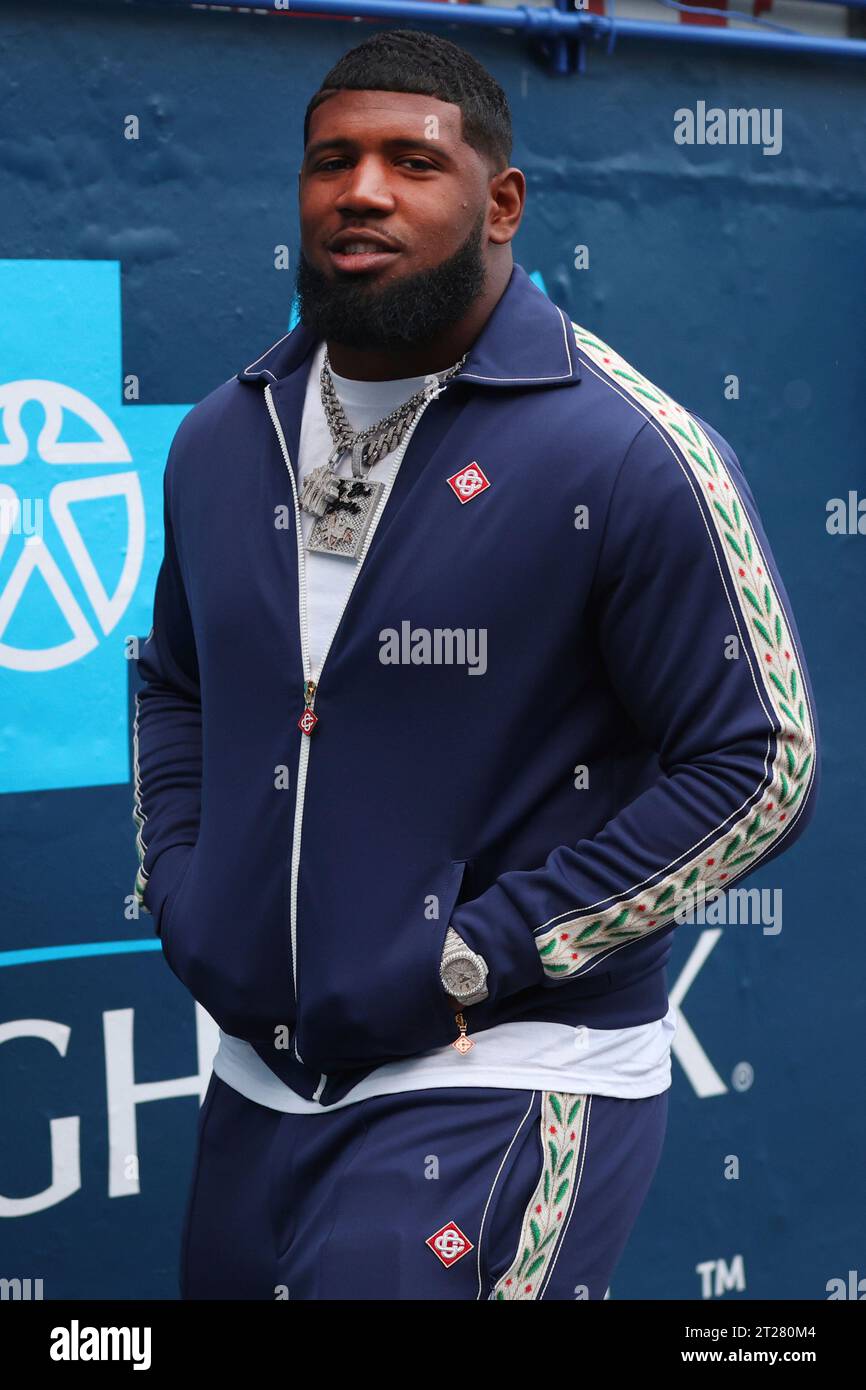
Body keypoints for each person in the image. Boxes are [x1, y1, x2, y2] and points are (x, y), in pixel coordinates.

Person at [131, 28, 820, 1301]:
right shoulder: (222, 436)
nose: (364, 190)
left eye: (412, 160)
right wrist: (182, 888)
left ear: (499, 202)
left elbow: (762, 768)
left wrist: (480, 951)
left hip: (503, 1079)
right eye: (331, 160)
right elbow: (174, 682)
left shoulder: (628, 452)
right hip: (255, 1078)